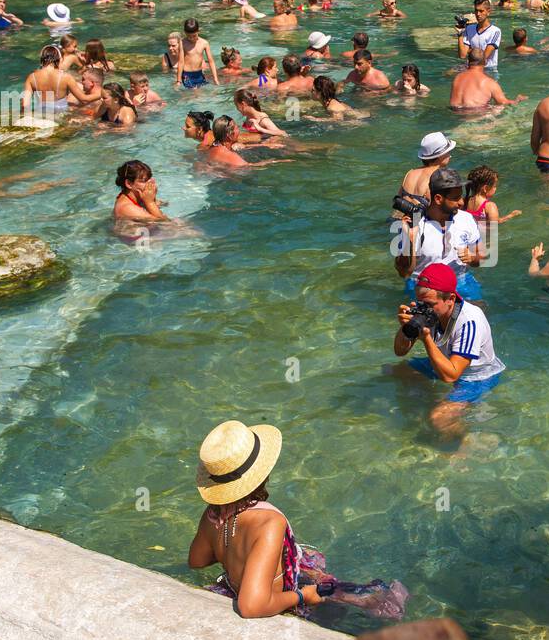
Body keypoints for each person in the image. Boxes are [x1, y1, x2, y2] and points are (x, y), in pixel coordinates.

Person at [189, 420, 408, 619]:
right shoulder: (269, 523)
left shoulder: (212, 516)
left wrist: (234, 551)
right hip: (280, 602)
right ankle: (375, 602)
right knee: (347, 601)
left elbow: (196, 561)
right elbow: (251, 606)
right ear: (262, 474)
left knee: (313, 571)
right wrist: (302, 597)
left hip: (236, 587)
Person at [393, 263, 505, 429]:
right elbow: (400, 351)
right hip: (445, 361)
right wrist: (405, 328)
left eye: (430, 304)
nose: (424, 309)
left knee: (439, 418)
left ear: (450, 299)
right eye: (420, 302)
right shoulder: (429, 310)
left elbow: (451, 376)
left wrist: (426, 339)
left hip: (475, 377)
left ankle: (464, 445)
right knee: (395, 371)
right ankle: (436, 399)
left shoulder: (469, 321)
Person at [393, 167, 484, 300]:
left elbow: (481, 257)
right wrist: (409, 241)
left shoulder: (466, 219)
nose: (461, 202)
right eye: (456, 198)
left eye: (461, 196)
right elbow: (405, 273)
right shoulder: (415, 225)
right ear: (438, 198)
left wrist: (472, 258)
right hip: (425, 287)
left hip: (461, 282)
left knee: (478, 313)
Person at [22, 44, 87, 117]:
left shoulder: (31, 77)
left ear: (42, 59)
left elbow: (25, 104)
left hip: (41, 113)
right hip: (62, 114)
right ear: (60, 59)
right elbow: (83, 99)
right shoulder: (66, 77)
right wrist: (99, 94)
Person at [449, 48, 525, 110]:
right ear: (485, 62)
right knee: (499, 108)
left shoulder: (457, 77)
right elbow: (503, 102)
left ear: (468, 61)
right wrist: (517, 100)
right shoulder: (489, 82)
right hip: (473, 114)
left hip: (454, 111)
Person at [399, 132, 455, 199]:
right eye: (448, 151)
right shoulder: (438, 179)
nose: (450, 155)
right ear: (440, 155)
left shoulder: (410, 173)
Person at [458, 0, 501, 71]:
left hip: (488, 70)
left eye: (481, 11)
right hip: (470, 68)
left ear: (488, 12)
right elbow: (462, 55)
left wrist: (470, 50)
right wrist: (460, 34)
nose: (478, 14)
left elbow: (483, 58)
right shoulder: (469, 29)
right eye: (476, 10)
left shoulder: (495, 31)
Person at [176, 18, 220, 88]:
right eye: (189, 36)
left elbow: (211, 61)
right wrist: (178, 80)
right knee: (194, 94)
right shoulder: (183, 43)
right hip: (187, 75)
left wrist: (215, 78)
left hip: (199, 74)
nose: (191, 38)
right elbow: (181, 62)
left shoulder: (204, 43)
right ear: (185, 32)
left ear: (198, 31)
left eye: (194, 36)